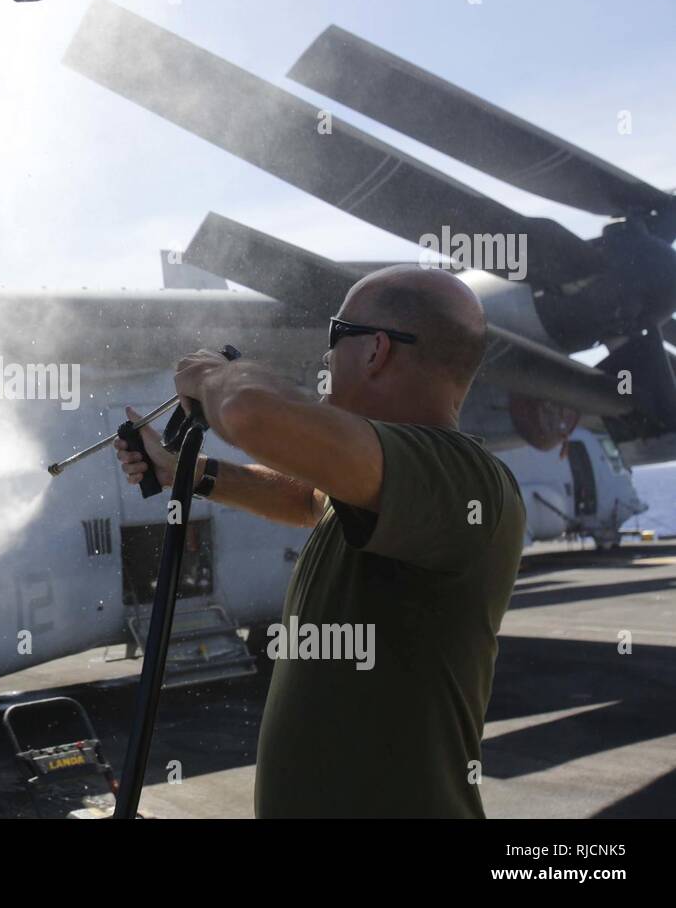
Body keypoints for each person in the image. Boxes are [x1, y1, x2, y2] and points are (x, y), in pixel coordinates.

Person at [116, 265, 526, 817]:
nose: (326, 359)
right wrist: (187, 473)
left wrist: (217, 375)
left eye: (336, 336)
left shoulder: (462, 476)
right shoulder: (380, 485)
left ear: (377, 351)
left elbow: (250, 413)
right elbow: (308, 499)